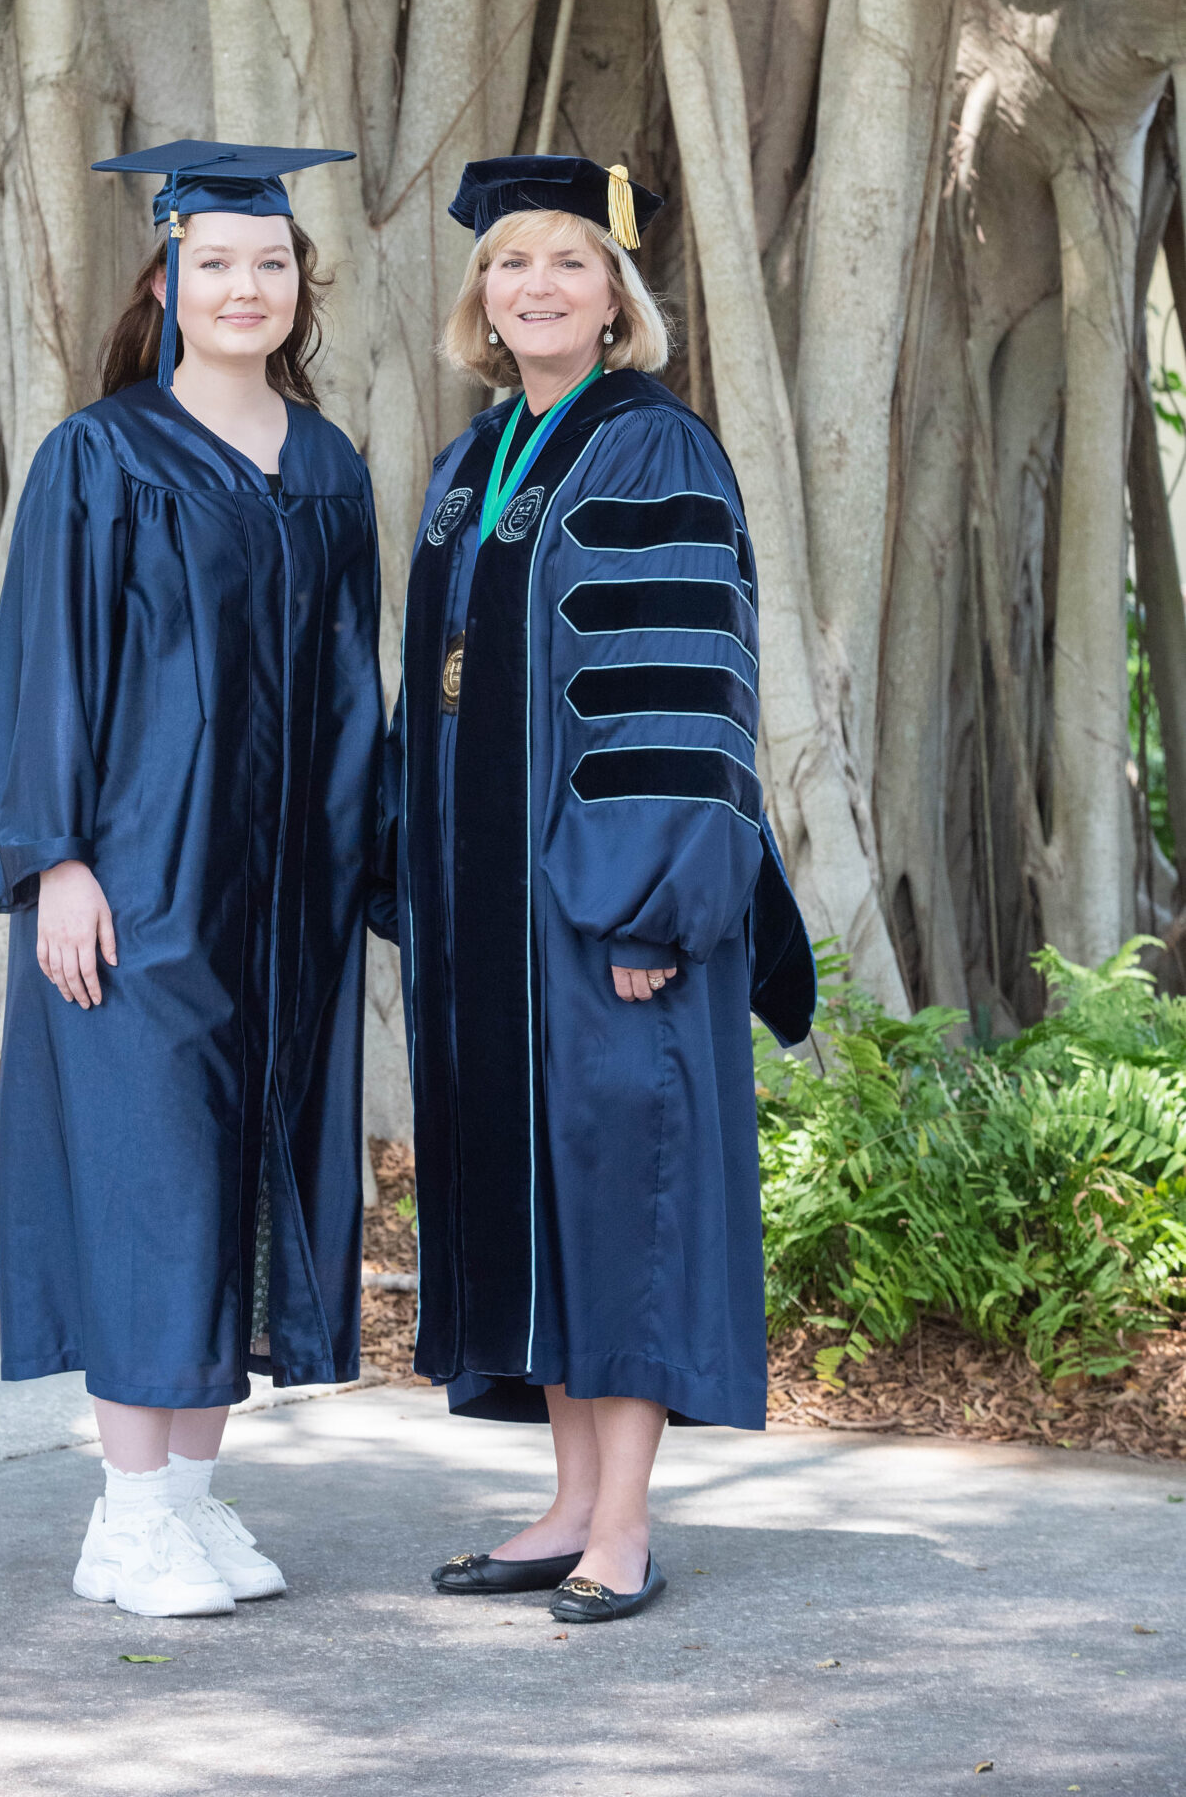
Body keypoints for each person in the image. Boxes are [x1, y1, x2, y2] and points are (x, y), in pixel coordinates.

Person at [371, 153, 816, 1626]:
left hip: (605, 918)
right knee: (536, 1205)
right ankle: (563, 1502)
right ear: (477, 301)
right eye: (510, 263)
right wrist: (406, 872)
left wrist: (646, 904)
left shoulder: (652, 450)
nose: (537, 286)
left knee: (619, 1199)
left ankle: (621, 1525)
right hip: (487, 925)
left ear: (618, 297)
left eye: (569, 261)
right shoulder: (469, 462)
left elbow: (681, 696)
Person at [0, 141, 385, 1620]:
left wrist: (367, 875)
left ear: (297, 287)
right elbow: (43, 675)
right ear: (165, 284)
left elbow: (353, 700)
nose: (245, 287)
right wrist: (53, 863)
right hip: (137, 886)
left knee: (247, 1183)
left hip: (283, 906)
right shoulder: (103, 455)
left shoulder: (326, 467)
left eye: (269, 264)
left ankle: (184, 1508)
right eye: (215, 264)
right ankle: (126, 1513)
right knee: (154, 1182)